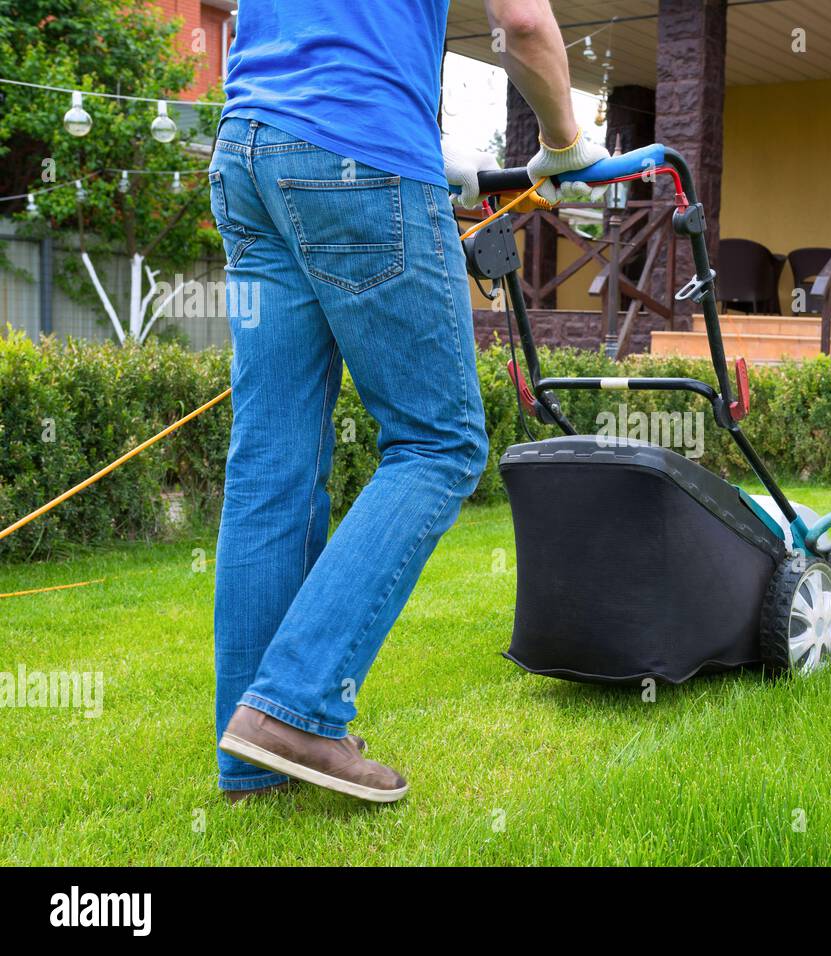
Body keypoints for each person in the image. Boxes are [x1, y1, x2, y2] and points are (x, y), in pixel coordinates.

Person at [209, 0, 608, 804]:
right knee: (439, 443)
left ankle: (253, 754)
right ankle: (293, 706)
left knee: (271, 464)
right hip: (357, 152)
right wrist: (566, 143)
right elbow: (524, 22)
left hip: (246, 150)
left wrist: (421, 149)